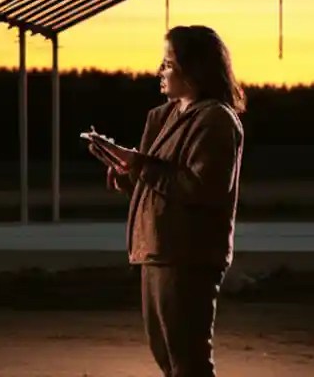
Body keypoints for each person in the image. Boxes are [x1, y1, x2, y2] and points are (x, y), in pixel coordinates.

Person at [88, 25, 245, 377]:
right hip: (157, 249)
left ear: (194, 69)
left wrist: (141, 164)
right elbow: (163, 187)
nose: (161, 70)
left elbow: (204, 188)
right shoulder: (164, 117)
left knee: (188, 361)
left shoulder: (215, 119)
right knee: (169, 357)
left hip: (187, 255)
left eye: (169, 63)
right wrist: (127, 173)